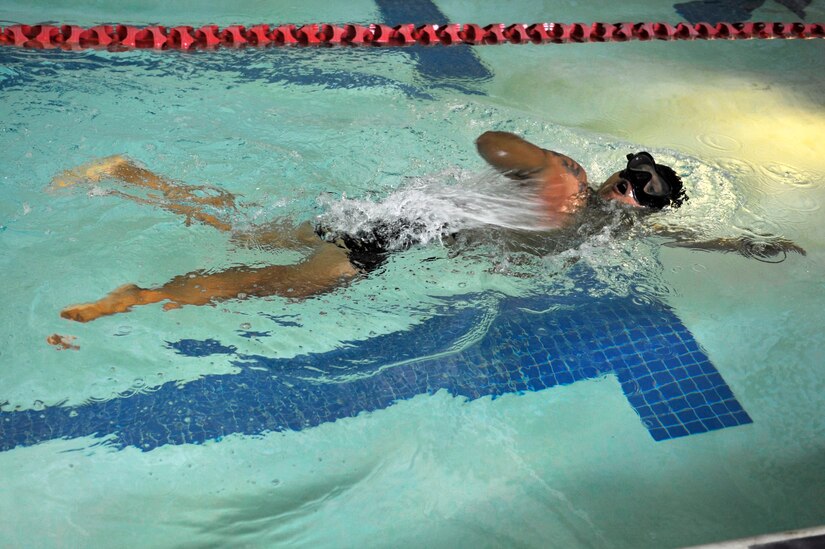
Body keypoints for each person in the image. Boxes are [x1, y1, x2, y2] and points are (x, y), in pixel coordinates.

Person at [53, 131, 803, 323]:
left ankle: (127, 173)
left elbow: (677, 236)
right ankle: (140, 295)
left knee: (244, 228)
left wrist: (744, 243)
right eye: (630, 170)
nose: (626, 184)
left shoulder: (613, 228)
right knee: (288, 286)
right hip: (398, 230)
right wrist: (544, 171)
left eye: (642, 188)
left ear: (644, 206)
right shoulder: (566, 179)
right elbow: (491, 148)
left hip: (384, 216)